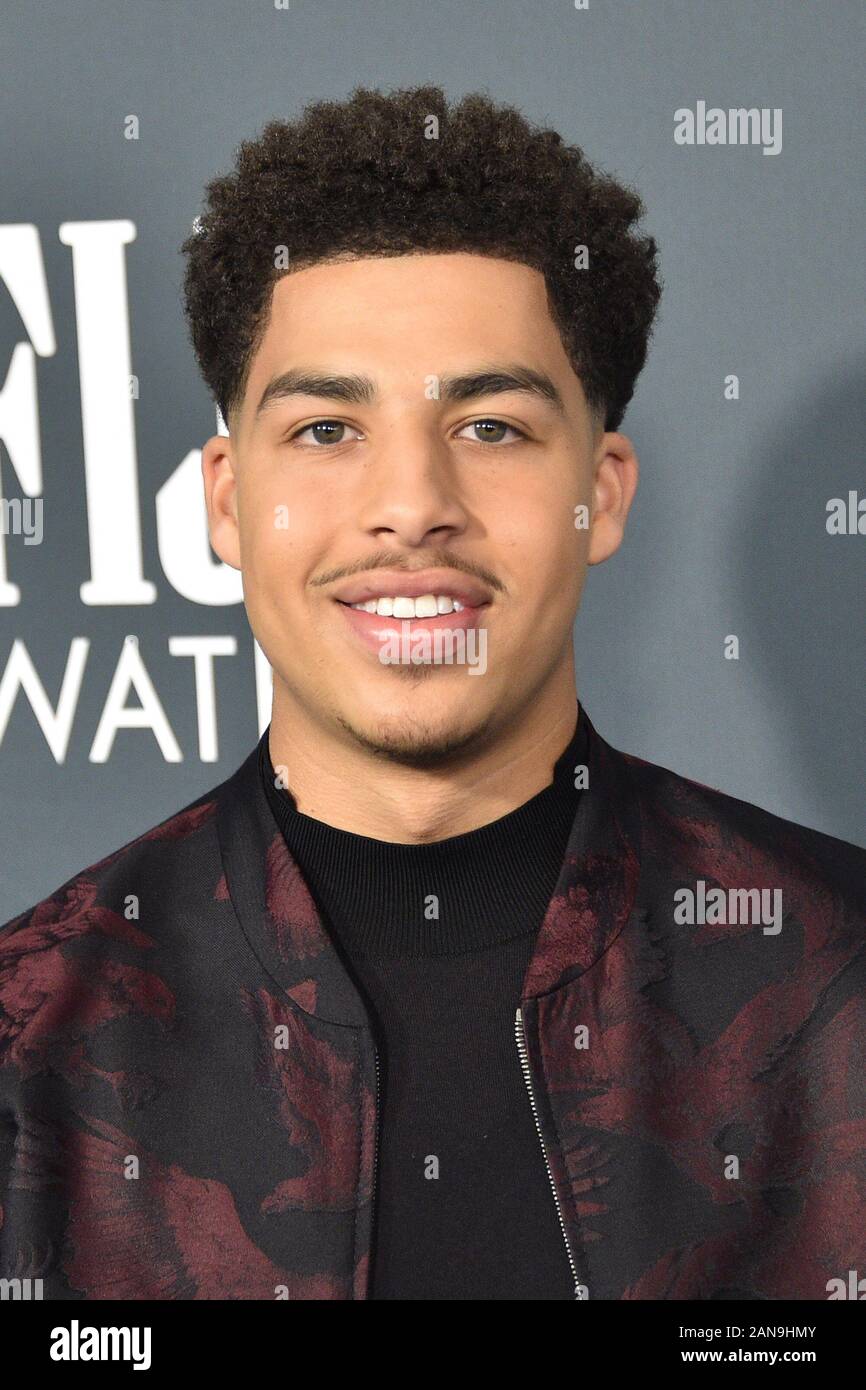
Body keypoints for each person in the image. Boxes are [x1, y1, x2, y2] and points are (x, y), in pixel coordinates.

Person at [1, 85, 863, 1302]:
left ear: (602, 494)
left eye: (492, 427)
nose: (411, 503)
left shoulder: (839, 985)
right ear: (226, 504)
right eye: (322, 430)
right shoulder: (28, 1039)